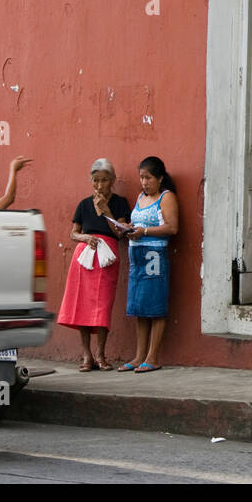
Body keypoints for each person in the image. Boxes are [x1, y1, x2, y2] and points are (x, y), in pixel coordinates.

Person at [57, 158, 132, 371]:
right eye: (96, 180)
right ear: (91, 181)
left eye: (104, 181)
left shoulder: (119, 202)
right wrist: (85, 238)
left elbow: (120, 232)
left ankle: (101, 354)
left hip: (107, 257)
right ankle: (86, 356)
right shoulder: (83, 204)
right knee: (82, 305)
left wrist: (105, 209)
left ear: (112, 181)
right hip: (85, 257)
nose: (100, 186)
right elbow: (73, 233)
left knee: (102, 306)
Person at [117, 156, 179, 374]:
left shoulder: (166, 197)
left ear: (160, 178)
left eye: (148, 178)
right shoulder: (140, 197)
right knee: (140, 306)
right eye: (141, 178)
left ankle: (153, 357)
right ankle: (139, 356)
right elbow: (138, 223)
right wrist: (127, 228)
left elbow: (172, 228)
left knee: (155, 305)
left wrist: (143, 231)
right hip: (137, 257)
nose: (144, 182)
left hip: (155, 256)